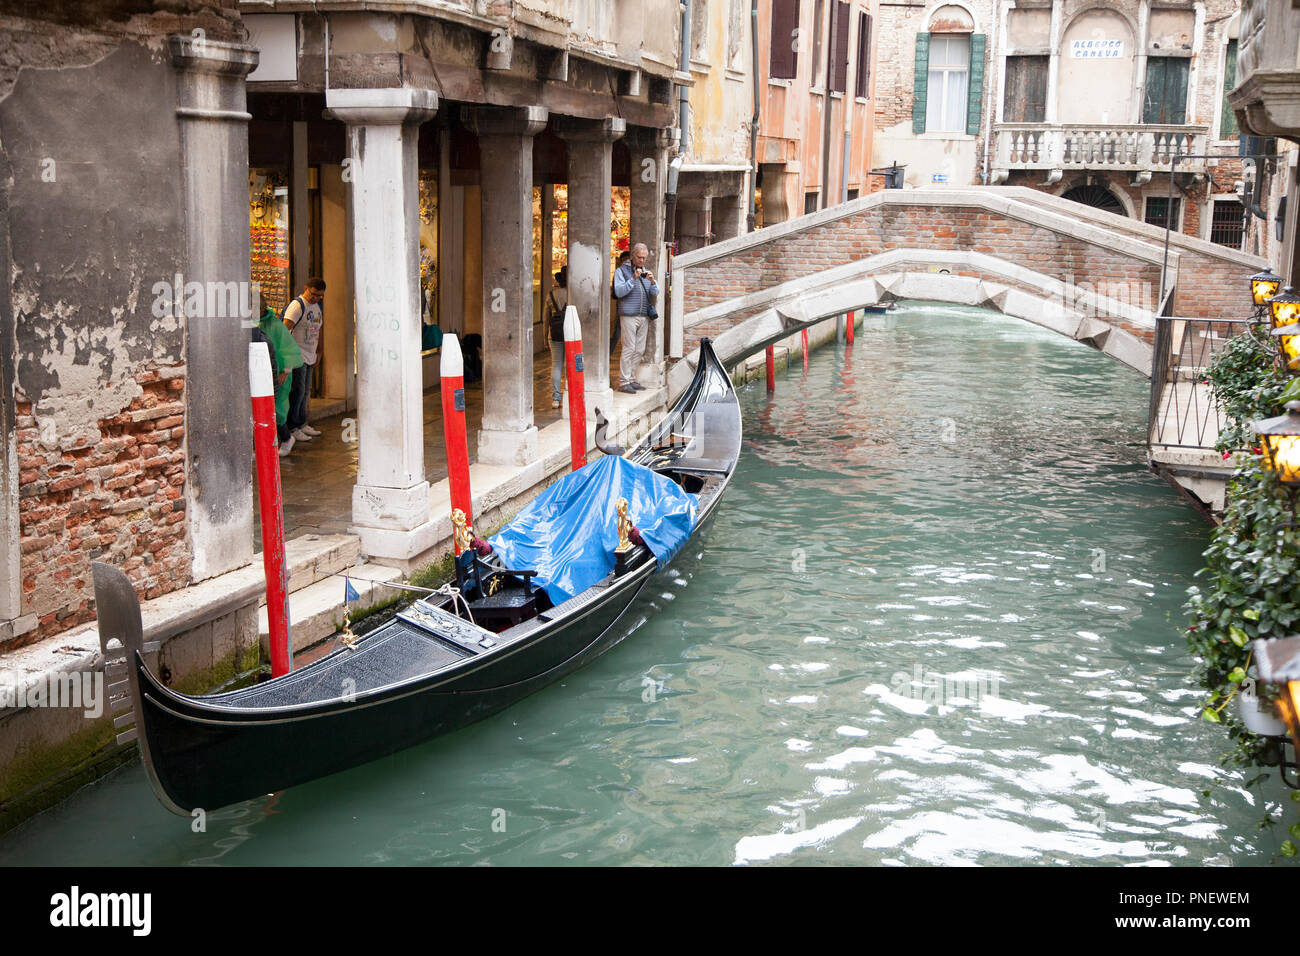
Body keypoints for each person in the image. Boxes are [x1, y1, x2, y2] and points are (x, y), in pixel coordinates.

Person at [256, 298, 303, 458]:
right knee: (261, 410)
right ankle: (265, 445)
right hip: (261, 372)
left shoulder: (275, 325)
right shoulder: (254, 323)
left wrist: (286, 371)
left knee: (276, 410)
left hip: (278, 374)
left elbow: (288, 348)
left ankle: (286, 438)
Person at [283, 277, 326, 446]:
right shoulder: (297, 306)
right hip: (297, 354)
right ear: (306, 288)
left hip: (310, 353)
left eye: (319, 296)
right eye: (313, 294)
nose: (315, 298)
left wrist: (320, 351)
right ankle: (293, 426)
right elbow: (285, 328)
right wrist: (287, 354)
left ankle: (301, 422)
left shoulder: (317, 307)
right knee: (298, 390)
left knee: (305, 391)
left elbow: (319, 328)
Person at [612, 242, 658, 393]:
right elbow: (618, 292)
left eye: (644, 258)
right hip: (628, 315)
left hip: (643, 316)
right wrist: (632, 279)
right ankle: (624, 381)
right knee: (629, 348)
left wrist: (652, 282)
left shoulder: (645, 271)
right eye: (639, 257)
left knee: (639, 349)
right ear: (632, 255)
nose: (642, 261)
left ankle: (631, 378)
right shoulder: (621, 271)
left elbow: (655, 292)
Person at [546, 266, 569, 409]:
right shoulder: (572, 295)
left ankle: (556, 399)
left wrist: (544, 337)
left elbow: (546, 318)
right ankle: (568, 395)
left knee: (556, 365)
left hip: (554, 334)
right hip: (570, 334)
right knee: (569, 366)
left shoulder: (550, 295)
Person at [610, 250, 630, 351]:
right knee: (617, 332)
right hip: (622, 306)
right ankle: (608, 353)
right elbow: (615, 293)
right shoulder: (619, 273)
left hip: (628, 307)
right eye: (624, 261)